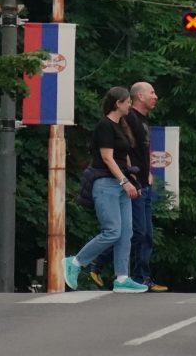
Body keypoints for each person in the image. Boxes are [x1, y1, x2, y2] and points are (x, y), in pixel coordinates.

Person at [63, 87, 148, 293]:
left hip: (120, 184)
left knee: (126, 233)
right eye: (127, 102)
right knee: (112, 231)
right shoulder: (105, 126)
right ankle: (75, 262)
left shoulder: (122, 125)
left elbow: (123, 156)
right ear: (117, 104)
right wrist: (124, 182)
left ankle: (122, 278)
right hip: (106, 184)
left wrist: (132, 178)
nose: (130, 105)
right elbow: (108, 158)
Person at [124, 81, 167, 293]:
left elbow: (142, 150)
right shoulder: (129, 118)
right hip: (134, 184)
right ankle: (134, 277)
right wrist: (130, 177)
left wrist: (148, 170)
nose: (155, 96)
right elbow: (123, 149)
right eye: (152, 92)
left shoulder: (143, 120)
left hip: (144, 183)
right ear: (139, 96)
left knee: (147, 233)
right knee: (138, 232)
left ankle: (143, 278)